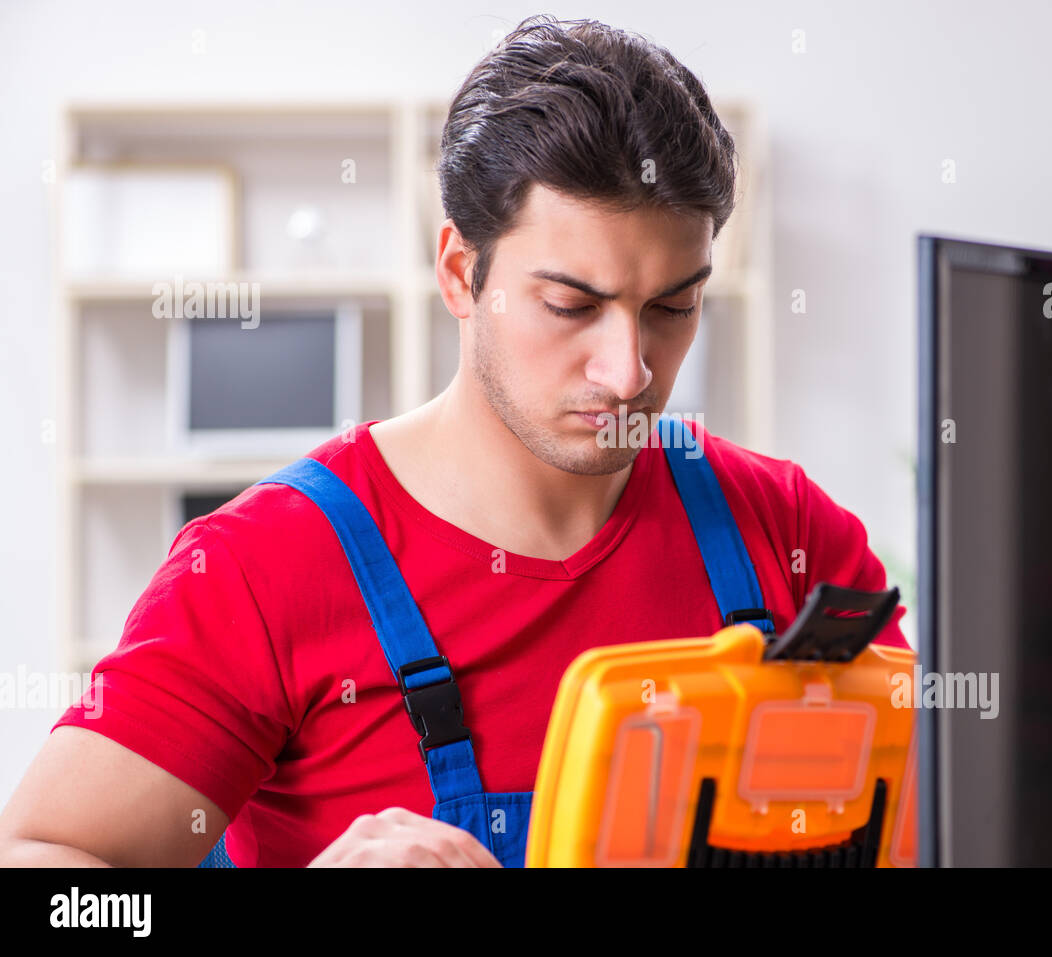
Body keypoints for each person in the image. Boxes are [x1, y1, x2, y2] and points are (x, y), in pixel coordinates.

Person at [0, 14, 907, 868]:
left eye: (673, 306)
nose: (629, 370)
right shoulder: (263, 568)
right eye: (571, 306)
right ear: (460, 273)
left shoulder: (784, 534)